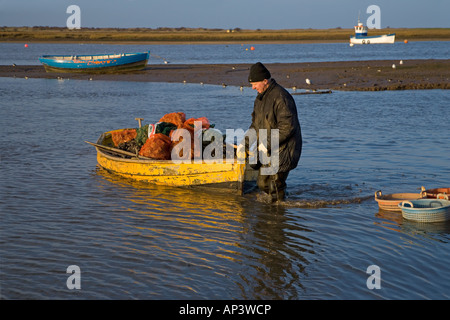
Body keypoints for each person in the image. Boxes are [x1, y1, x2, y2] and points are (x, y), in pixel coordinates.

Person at [246, 62, 302, 202]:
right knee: (262, 183)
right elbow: (255, 125)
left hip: (284, 148)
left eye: (255, 84)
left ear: (265, 81)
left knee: (274, 185)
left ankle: (278, 215)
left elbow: (287, 127)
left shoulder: (281, 97)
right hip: (268, 147)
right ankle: (275, 205)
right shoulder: (260, 98)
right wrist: (245, 144)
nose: (252, 87)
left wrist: (266, 144)